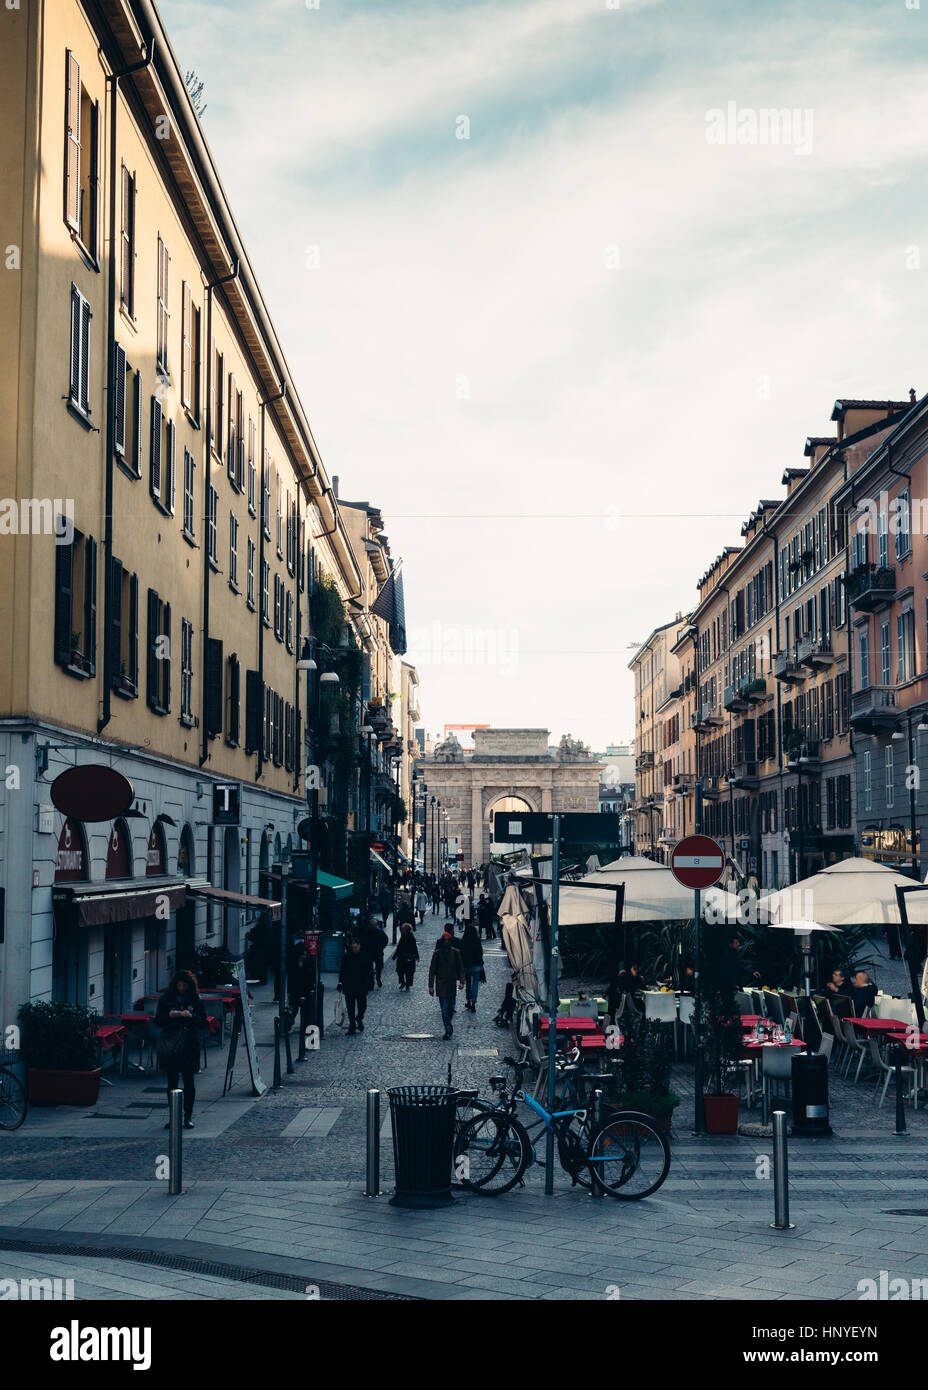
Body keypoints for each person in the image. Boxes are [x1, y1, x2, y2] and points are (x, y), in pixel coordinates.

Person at [155, 970, 207, 1129]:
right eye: (179, 985)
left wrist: (191, 1017)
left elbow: (203, 1022)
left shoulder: (195, 1000)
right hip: (172, 1045)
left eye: (184, 985)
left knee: (188, 1081)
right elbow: (158, 1021)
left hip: (189, 1045)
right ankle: (173, 1116)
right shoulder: (166, 999)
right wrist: (171, 1016)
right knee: (172, 1081)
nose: (181, 988)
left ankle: (187, 1116)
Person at [428, 931, 465, 1039]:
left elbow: (461, 968)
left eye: (448, 939)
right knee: (444, 1008)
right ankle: (448, 1028)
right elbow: (432, 970)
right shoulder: (437, 953)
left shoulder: (456, 952)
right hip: (441, 984)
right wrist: (431, 986)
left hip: (451, 984)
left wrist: (462, 982)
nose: (446, 942)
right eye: (444, 940)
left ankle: (448, 1024)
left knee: (451, 1007)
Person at [337, 938, 375, 1035]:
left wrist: (370, 983)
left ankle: (359, 1018)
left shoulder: (365, 956)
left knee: (362, 1006)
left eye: (355, 947)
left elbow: (370, 971)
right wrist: (340, 982)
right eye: (352, 948)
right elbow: (342, 971)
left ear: (359, 946)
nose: (354, 949)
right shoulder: (347, 957)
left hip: (361, 986)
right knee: (350, 1008)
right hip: (349, 986)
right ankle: (352, 1026)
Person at [458, 921, 484, 1012]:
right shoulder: (477, 941)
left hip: (467, 966)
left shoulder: (463, 941)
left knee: (468, 984)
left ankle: (468, 1001)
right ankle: (473, 1002)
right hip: (476, 965)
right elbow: (481, 952)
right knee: (475, 984)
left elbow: (461, 954)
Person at [363, 916, 389, 987]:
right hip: (369, 952)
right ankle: (371, 982)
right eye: (372, 925)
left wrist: (382, 946)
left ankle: (378, 978)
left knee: (379, 967)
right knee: (369, 968)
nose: (373, 926)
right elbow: (363, 941)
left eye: (374, 925)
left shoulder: (380, 931)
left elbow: (386, 939)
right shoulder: (367, 931)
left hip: (378, 952)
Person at [394, 922, 420, 990]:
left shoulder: (410, 937)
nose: (402, 930)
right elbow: (399, 947)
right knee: (401, 971)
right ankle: (403, 982)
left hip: (408, 957)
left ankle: (407, 984)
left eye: (403, 929)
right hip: (402, 957)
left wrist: (417, 956)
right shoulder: (403, 936)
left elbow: (414, 947)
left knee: (408, 972)